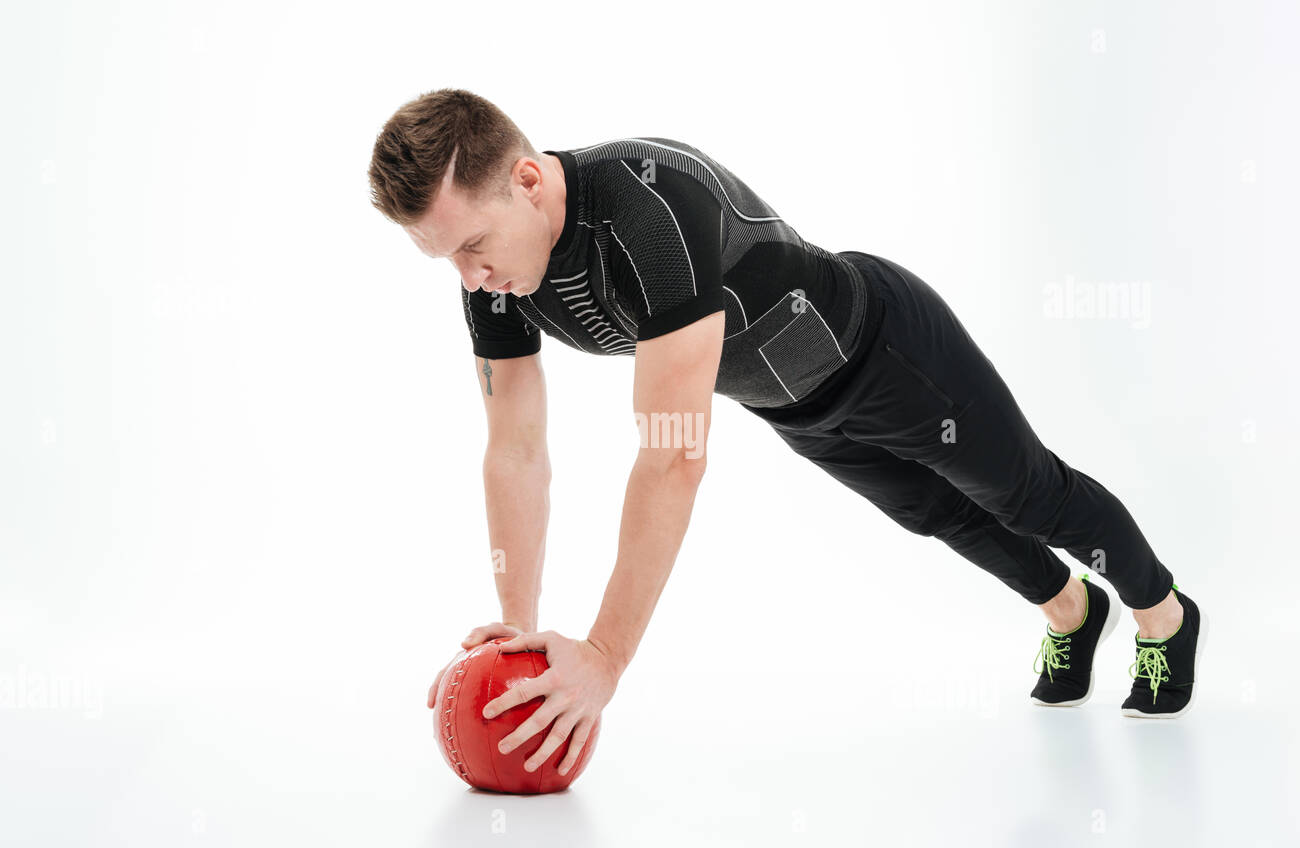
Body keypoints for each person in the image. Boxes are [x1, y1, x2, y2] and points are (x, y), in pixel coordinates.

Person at [368, 88, 1205, 775]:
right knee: (940, 514)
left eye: (474, 245)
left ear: (526, 179)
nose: (472, 279)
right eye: (445, 258)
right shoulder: (491, 280)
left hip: (889, 351)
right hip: (797, 407)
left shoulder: (647, 210)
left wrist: (604, 657)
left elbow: (671, 458)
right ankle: (1071, 612)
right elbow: (514, 447)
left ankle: (1163, 615)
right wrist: (519, 628)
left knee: (1027, 496)